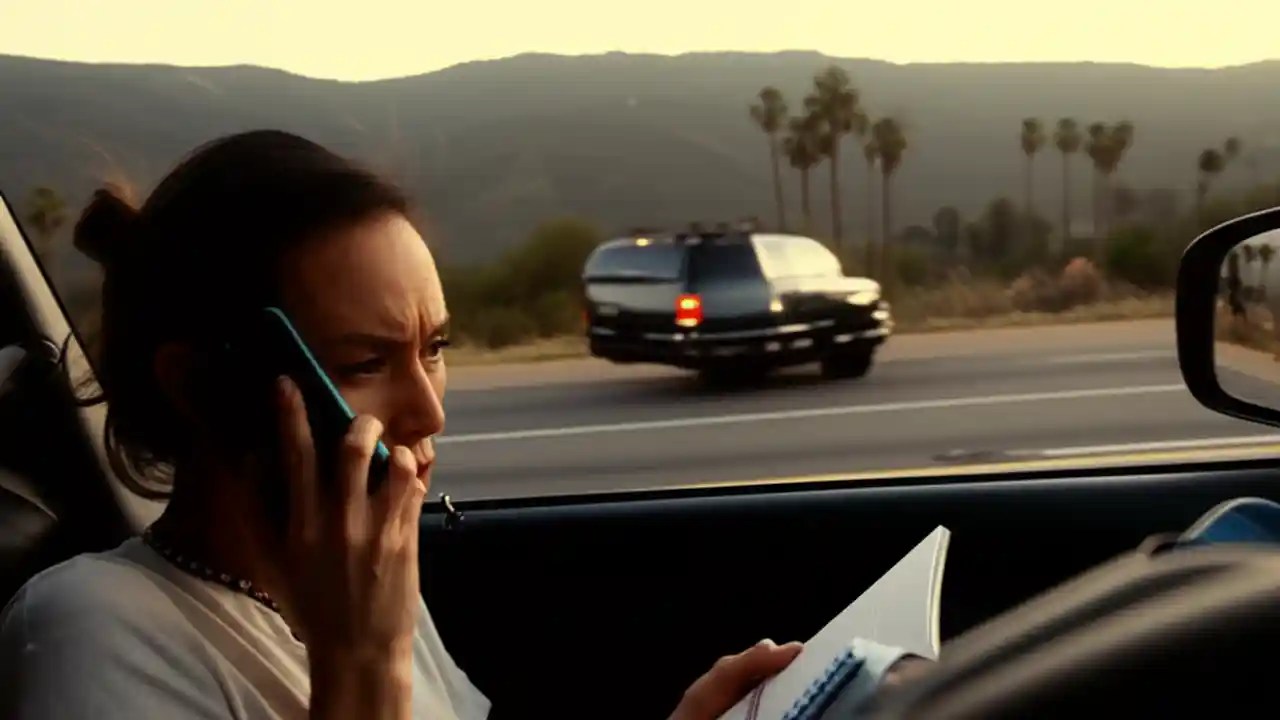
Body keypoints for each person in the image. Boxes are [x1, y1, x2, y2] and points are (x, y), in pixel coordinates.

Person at [0, 130, 808, 719]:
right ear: (198, 387)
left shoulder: (364, 576)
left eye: (435, 349)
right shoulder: (89, 630)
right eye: (364, 363)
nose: (430, 410)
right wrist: (361, 663)